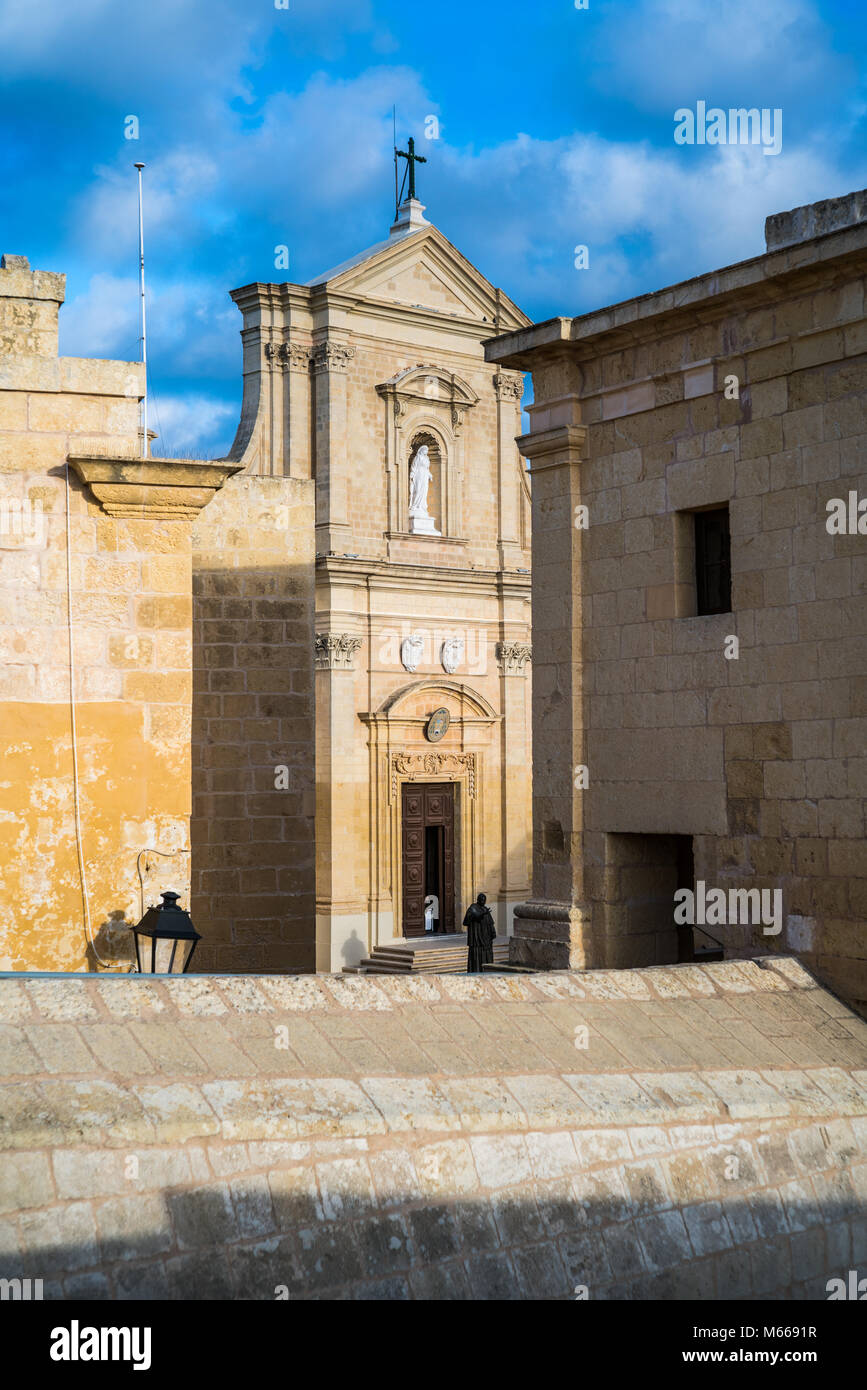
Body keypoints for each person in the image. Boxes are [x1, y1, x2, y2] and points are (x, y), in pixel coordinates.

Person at [463, 892, 496, 973]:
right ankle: (477, 970)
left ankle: (488, 970)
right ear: (478, 900)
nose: (483, 902)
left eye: (484, 900)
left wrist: (493, 932)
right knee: (477, 956)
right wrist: (480, 915)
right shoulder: (473, 908)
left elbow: (490, 923)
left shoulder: (485, 909)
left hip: (486, 938)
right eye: (482, 900)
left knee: (487, 955)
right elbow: (466, 921)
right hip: (477, 938)